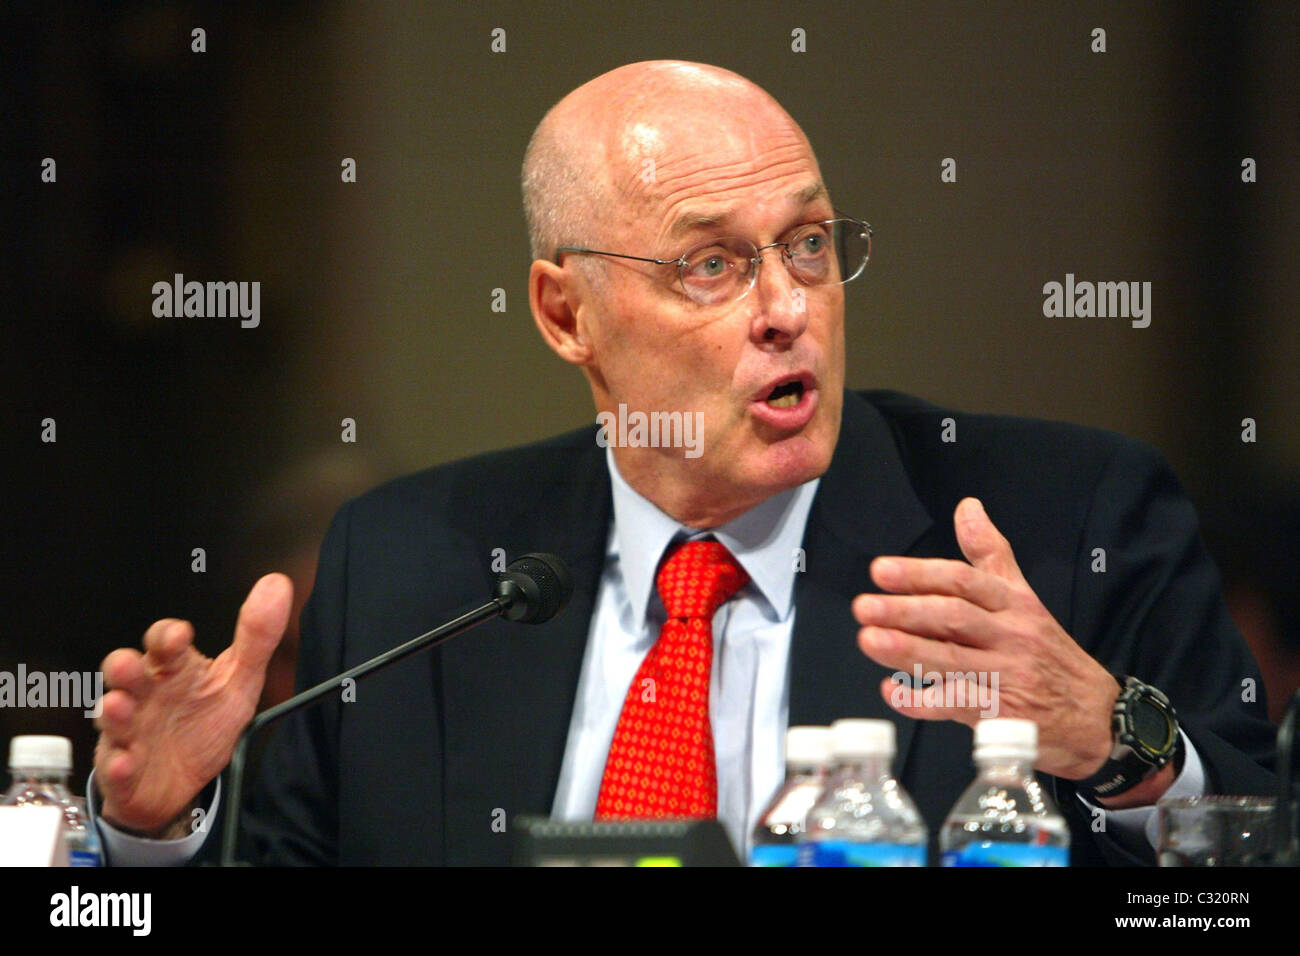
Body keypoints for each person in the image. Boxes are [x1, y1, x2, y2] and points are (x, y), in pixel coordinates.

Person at [88, 60, 1276, 865]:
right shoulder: (411, 564)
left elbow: (1250, 851)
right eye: (709, 264)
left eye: (808, 245)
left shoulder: (1061, 523)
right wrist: (153, 830)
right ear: (565, 313)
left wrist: (1116, 737)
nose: (786, 307)